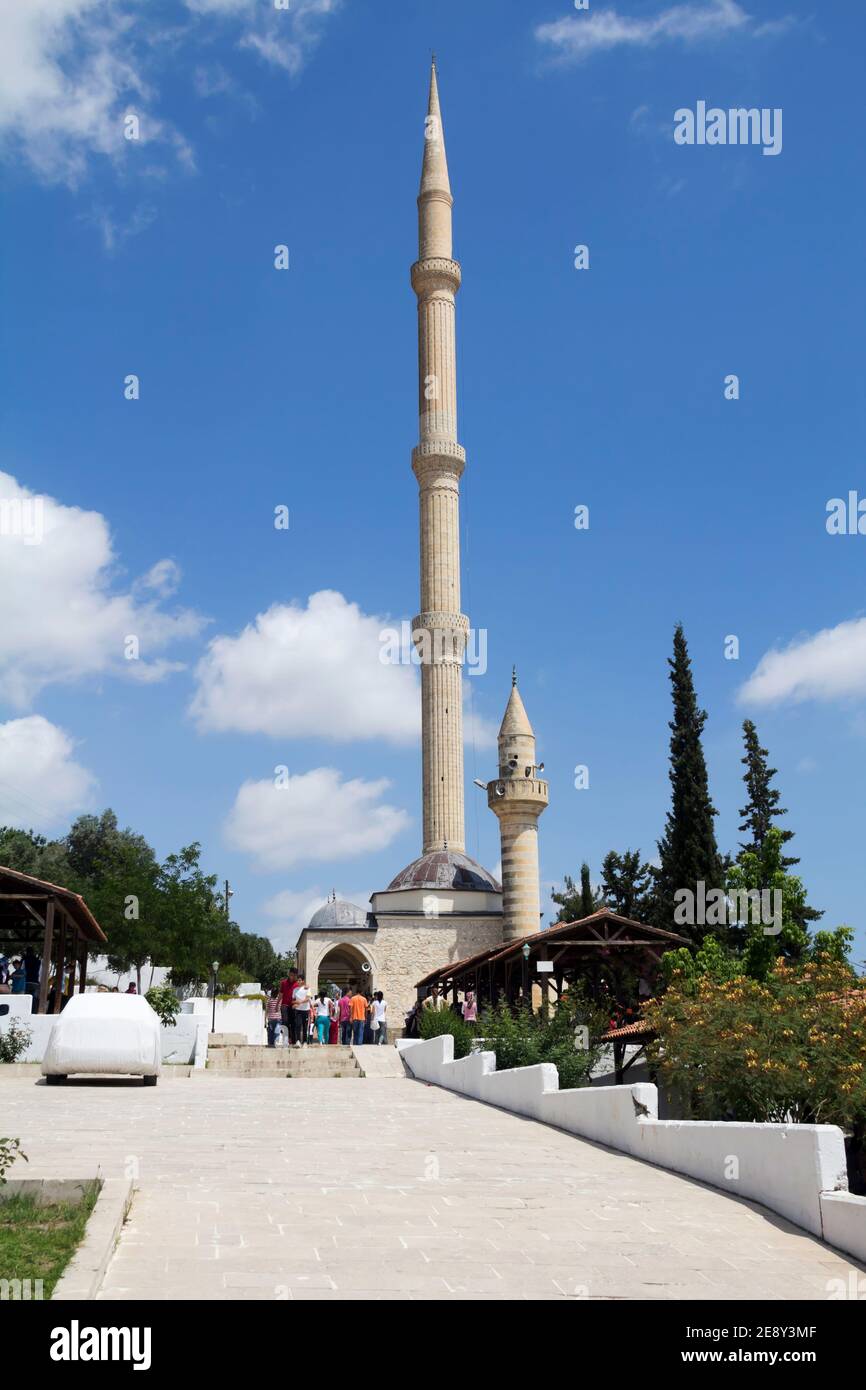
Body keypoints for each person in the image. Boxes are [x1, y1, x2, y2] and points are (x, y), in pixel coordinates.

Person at [279, 969, 298, 1045]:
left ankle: (293, 1041)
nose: (292, 977)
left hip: (293, 1006)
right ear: (289, 974)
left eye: (293, 975)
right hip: (285, 1005)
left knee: (293, 1023)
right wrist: (277, 1004)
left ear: (296, 975)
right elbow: (281, 994)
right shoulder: (283, 983)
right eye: (291, 975)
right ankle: (285, 1040)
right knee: (285, 1022)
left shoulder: (297, 984)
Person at [292, 975, 311, 1047]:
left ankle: (305, 1042)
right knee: (298, 1025)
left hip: (305, 1010)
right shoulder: (295, 990)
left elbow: (307, 999)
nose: (298, 981)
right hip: (298, 1010)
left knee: (305, 1026)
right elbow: (293, 1000)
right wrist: (294, 1004)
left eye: (300, 980)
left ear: (303, 981)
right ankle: (298, 1041)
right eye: (297, 980)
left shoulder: (307, 988)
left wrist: (300, 1002)